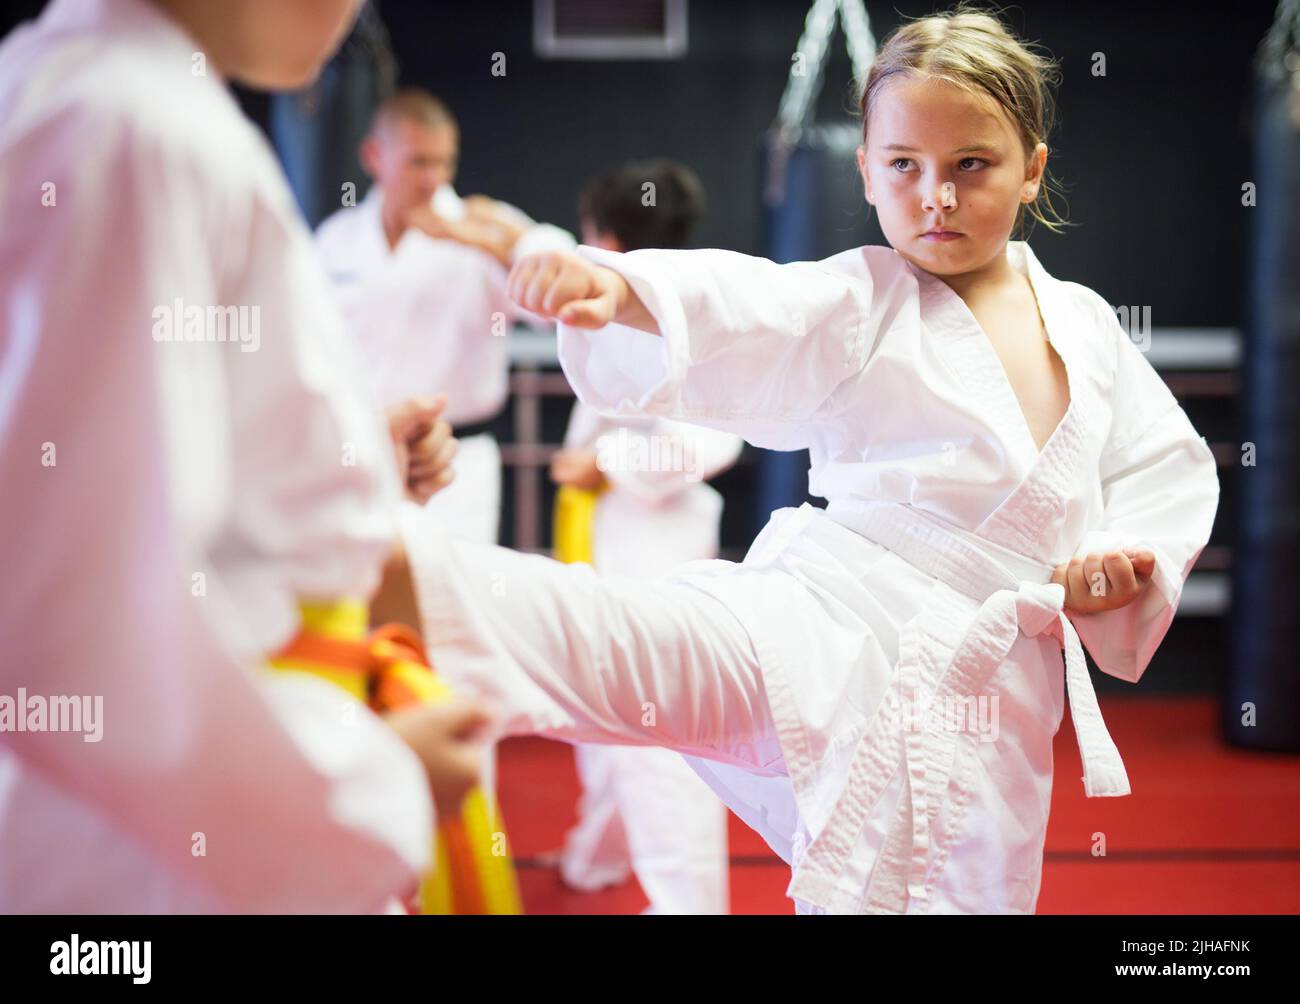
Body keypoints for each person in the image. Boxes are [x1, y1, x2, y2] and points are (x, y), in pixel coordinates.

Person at [390, 5, 1221, 914]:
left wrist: (1123, 564)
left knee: (935, 895)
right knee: (623, 642)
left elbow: (1163, 468)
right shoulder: (863, 298)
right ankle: (392, 583)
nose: (934, 197)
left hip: (989, 691)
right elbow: (756, 304)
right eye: (904, 166)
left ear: (1033, 171)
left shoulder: (1090, 326)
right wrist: (621, 288)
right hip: (824, 615)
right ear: (865, 172)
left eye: (970, 165)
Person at [0, 0, 488, 911]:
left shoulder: (97, 95)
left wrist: (337, 461)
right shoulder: (136, 127)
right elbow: (74, 622)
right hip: (168, 843)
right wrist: (372, 792)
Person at [548, 161, 743, 914]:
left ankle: (688, 904)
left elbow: (707, 447)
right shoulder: (612, 307)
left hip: (654, 547)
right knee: (600, 715)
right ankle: (598, 853)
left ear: (610, 239)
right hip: (605, 538)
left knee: (658, 737)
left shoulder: (689, 314)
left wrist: (600, 462)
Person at [315, 88, 573, 545]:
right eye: (418, 162)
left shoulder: (487, 225)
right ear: (375, 155)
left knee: (447, 606)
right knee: (360, 601)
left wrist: (473, 239)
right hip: (361, 450)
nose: (433, 178)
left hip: (457, 456)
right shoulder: (336, 240)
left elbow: (560, 305)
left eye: (444, 162)